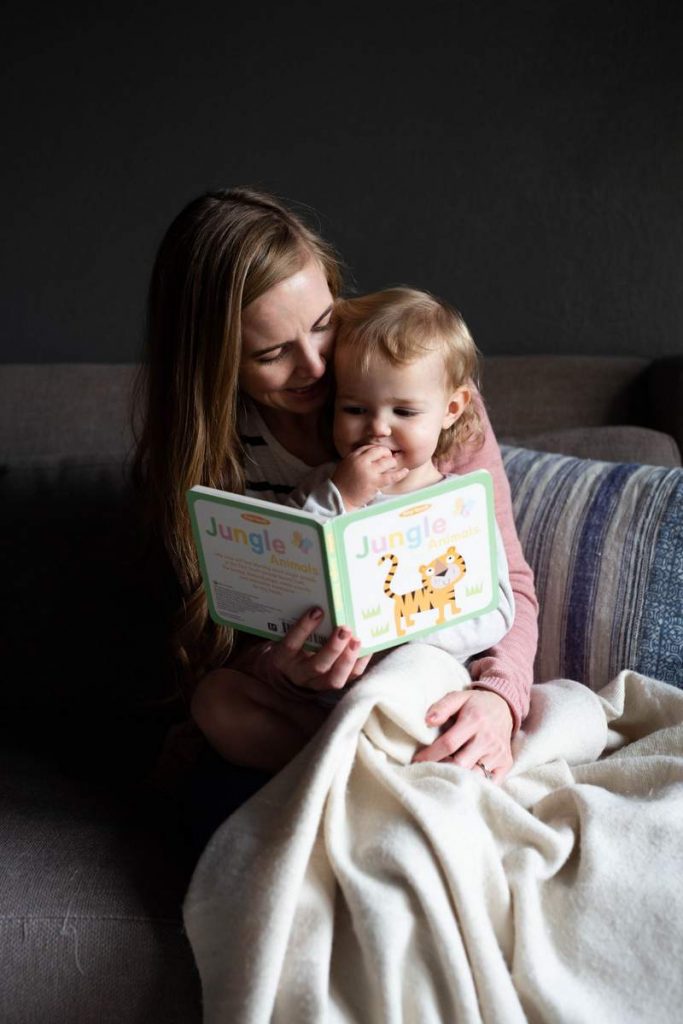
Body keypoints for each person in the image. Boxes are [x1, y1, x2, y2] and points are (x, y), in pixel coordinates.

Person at [132, 187, 538, 818]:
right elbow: (236, 625)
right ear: (214, 364)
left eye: (322, 323)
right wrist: (286, 669)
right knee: (217, 703)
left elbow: (503, 584)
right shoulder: (211, 457)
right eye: (271, 353)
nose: (318, 365)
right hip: (311, 704)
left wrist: (500, 698)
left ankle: (363, 781)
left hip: (418, 677)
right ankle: (365, 780)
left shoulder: (420, 392)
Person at [285, 286, 514, 723]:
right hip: (330, 693)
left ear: (451, 408)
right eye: (354, 408)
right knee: (220, 702)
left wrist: (411, 632)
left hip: (426, 687)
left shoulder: (460, 503)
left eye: (404, 413)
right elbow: (294, 564)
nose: (377, 429)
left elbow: (499, 607)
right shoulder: (323, 488)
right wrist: (343, 498)